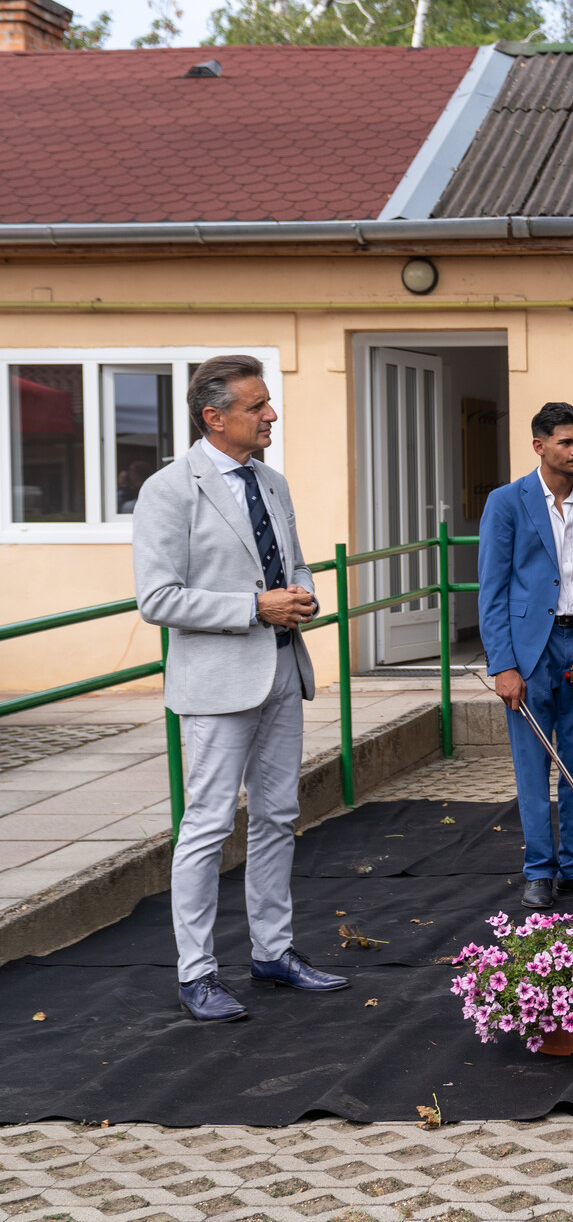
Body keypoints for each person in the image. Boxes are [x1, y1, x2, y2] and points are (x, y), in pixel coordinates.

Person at [133, 354, 348, 1021]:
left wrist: (301, 594)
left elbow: (294, 563)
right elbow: (157, 598)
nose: (271, 415)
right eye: (257, 406)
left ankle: (272, 952)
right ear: (214, 417)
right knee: (207, 825)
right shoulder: (169, 489)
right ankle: (196, 973)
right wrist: (255, 607)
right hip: (217, 684)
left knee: (279, 816)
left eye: (268, 403)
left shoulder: (272, 481)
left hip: (283, 669)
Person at [476, 402, 573, 908]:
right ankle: (539, 870)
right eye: (567, 442)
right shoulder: (506, 501)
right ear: (539, 446)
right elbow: (492, 589)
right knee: (533, 764)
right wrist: (503, 665)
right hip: (528, 649)